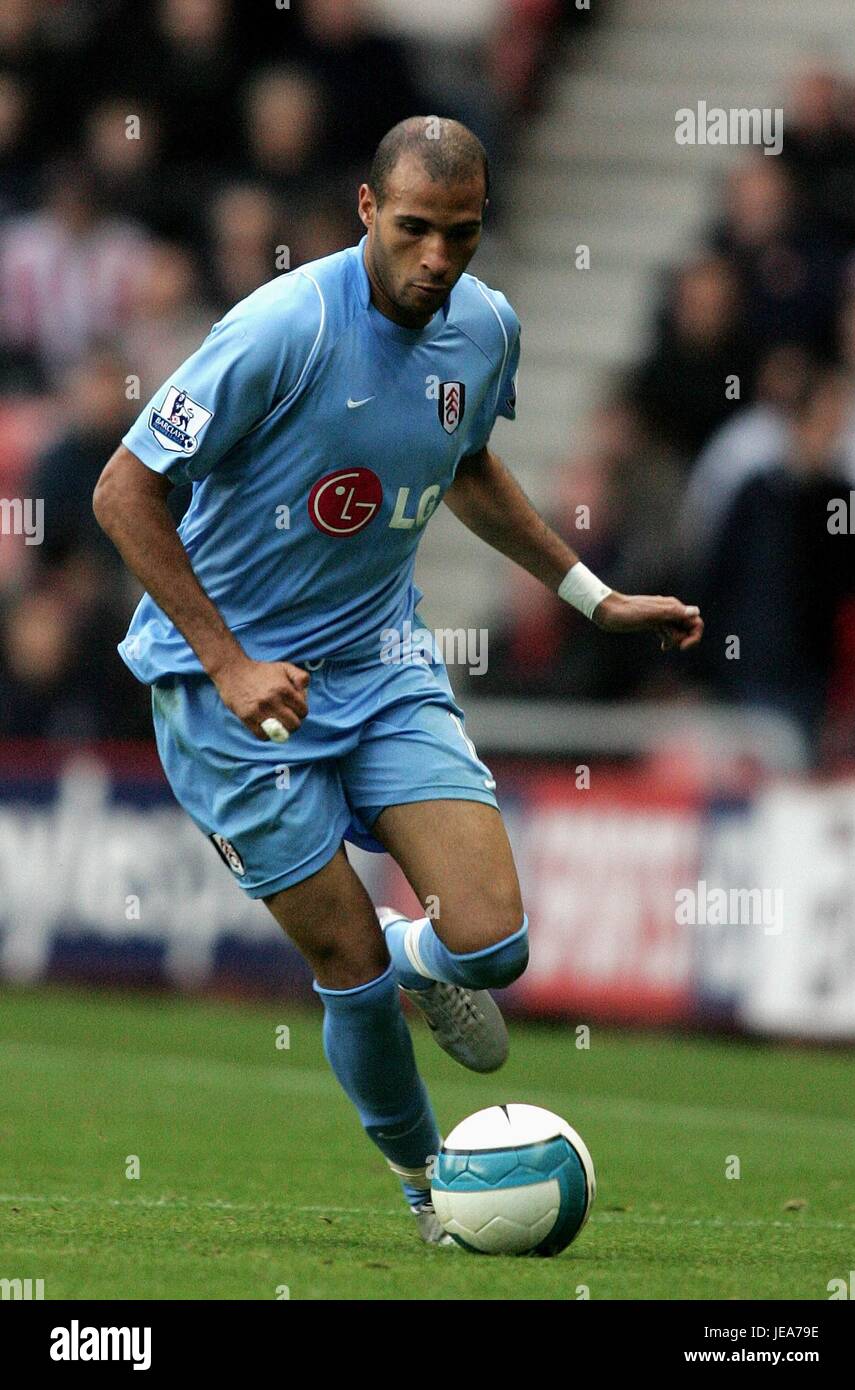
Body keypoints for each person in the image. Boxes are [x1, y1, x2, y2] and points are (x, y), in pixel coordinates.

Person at [93, 117, 703, 1245]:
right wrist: (228, 661)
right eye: (414, 228)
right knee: (348, 962)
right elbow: (122, 490)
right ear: (367, 210)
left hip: (381, 666)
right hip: (229, 696)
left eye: (460, 235)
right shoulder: (279, 328)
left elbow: (465, 464)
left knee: (494, 942)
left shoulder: (487, 326)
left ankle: (427, 960)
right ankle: (430, 1188)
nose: (436, 258)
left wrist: (592, 596)